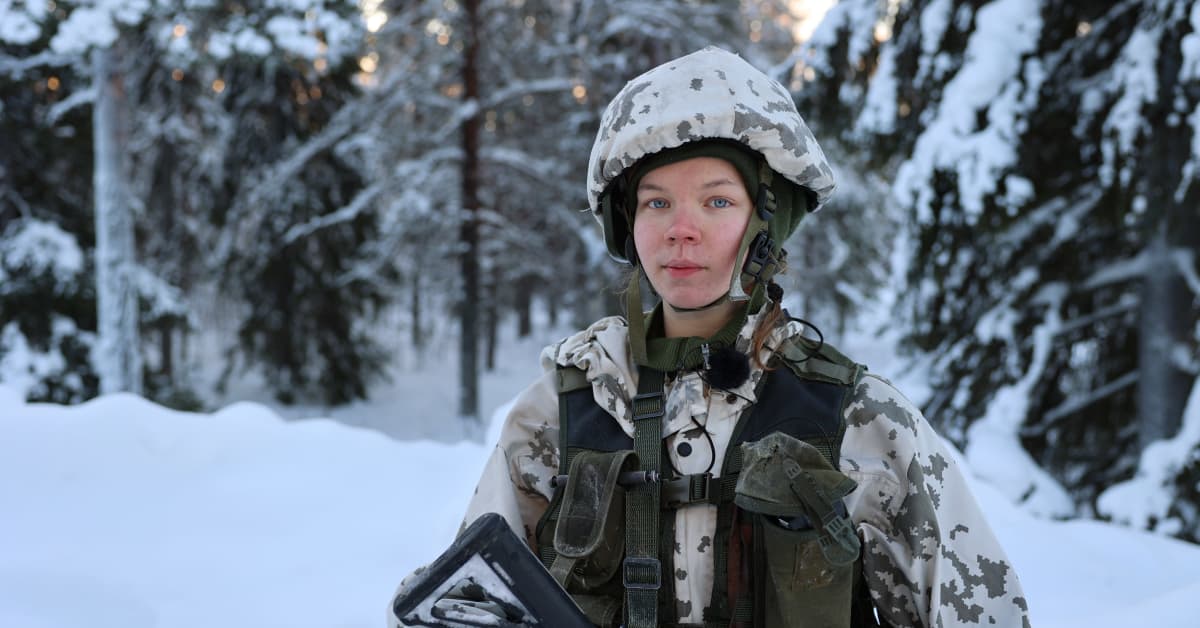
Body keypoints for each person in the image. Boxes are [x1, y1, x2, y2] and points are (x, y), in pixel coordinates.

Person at [390, 46, 1029, 628]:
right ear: (628, 223)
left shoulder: (856, 418)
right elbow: (465, 598)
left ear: (766, 222)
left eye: (717, 201)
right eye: (656, 202)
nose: (681, 229)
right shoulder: (565, 408)